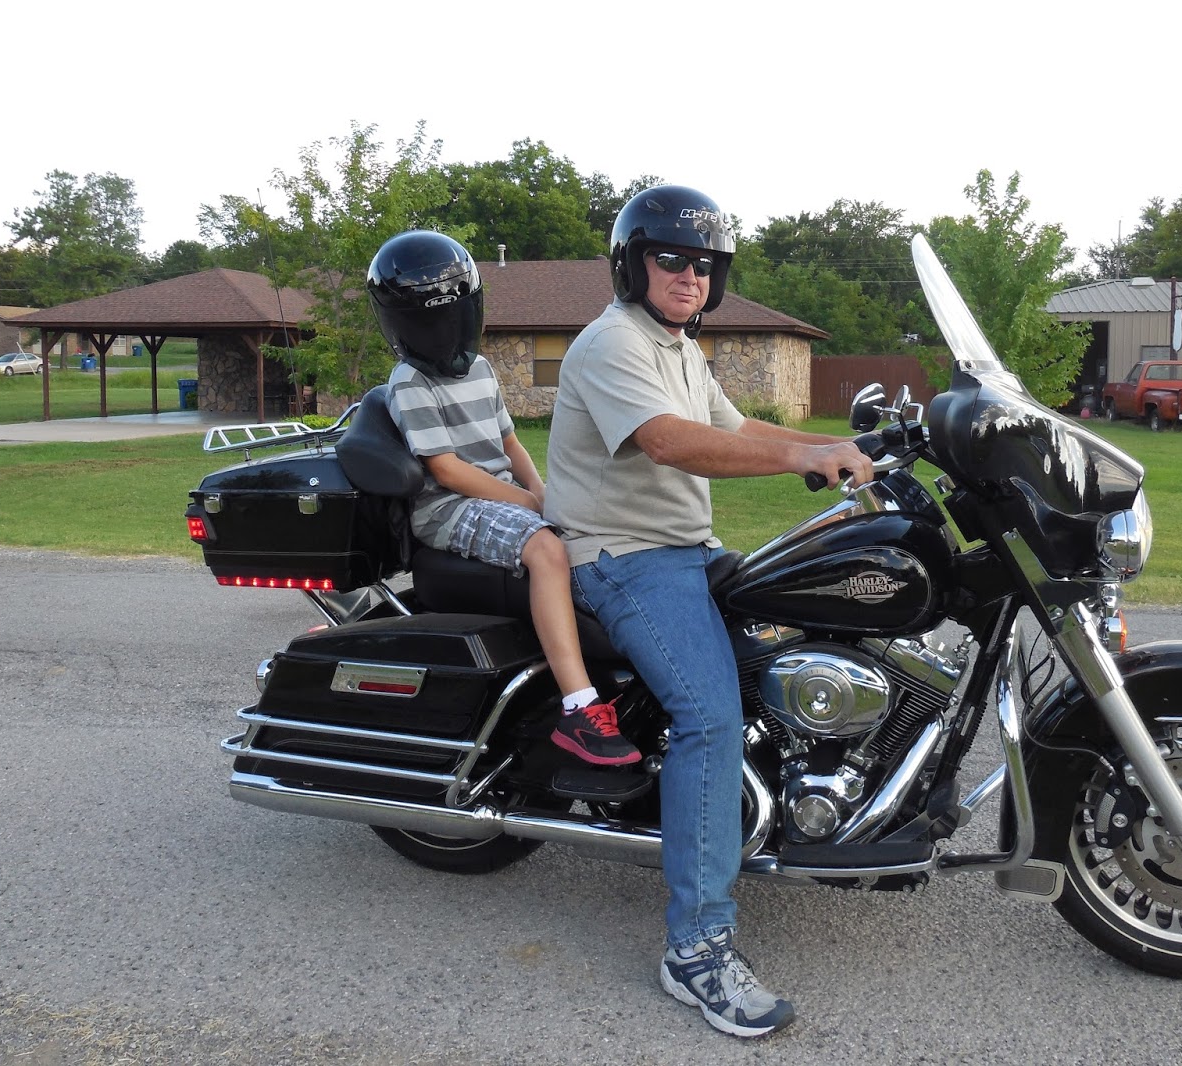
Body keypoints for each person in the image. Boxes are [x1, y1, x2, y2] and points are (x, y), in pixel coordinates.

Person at [545, 185, 873, 1038]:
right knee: (709, 719)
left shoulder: (680, 346)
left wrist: (836, 450)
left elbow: (740, 425)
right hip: (623, 556)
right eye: (671, 257)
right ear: (633, 263)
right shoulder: (614, 340)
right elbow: (672, 442)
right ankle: (696, 947)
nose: (689, 274)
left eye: (704, 262)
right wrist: (804, 457)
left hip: (686, 550)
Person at [368, 229, 640, 767]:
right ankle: (579, 706)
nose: (445, 332)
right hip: (445, 510)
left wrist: (543, 492)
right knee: (546, 550)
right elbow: (445, 471)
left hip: (499, 498)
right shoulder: (409, 382)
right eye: (429, 321)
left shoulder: (482, 368)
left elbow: (510, 442)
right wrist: (529, 506)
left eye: (452, 317)